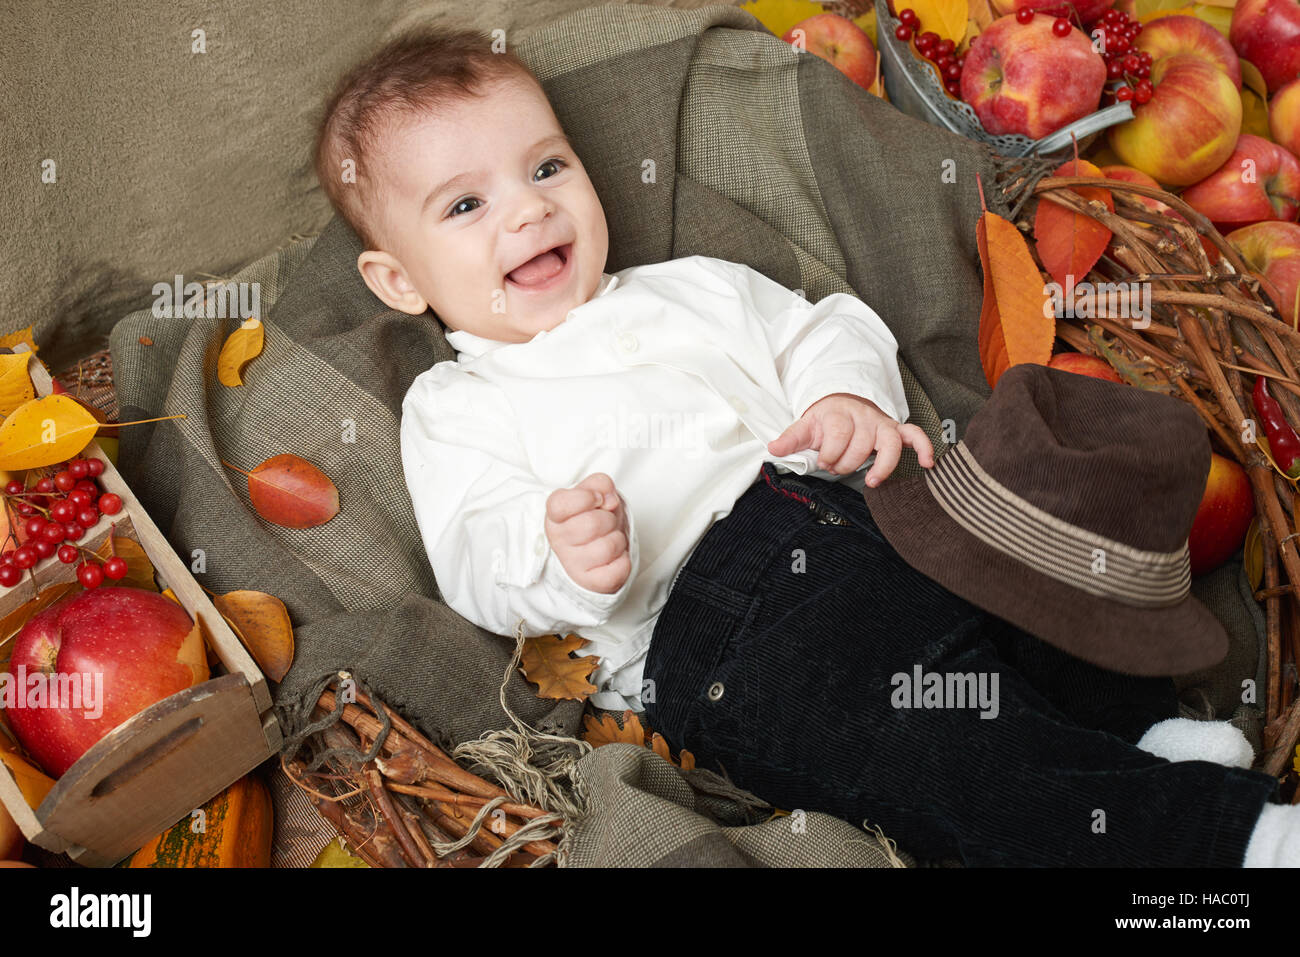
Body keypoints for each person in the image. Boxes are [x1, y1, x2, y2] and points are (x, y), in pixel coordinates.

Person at [314, 25, 1297, 866]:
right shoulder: (462, 401)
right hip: (723, 622)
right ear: (398, 280)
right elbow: (473, 555)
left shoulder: (687, 285)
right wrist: (559, 555)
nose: (527, 208)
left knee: (1028, 558)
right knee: (924, 742)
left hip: (862, 506)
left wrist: (842, 400)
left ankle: (1131, 727)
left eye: (544, 167)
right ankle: (1213, 841)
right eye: (465, 205)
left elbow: (824, 326)